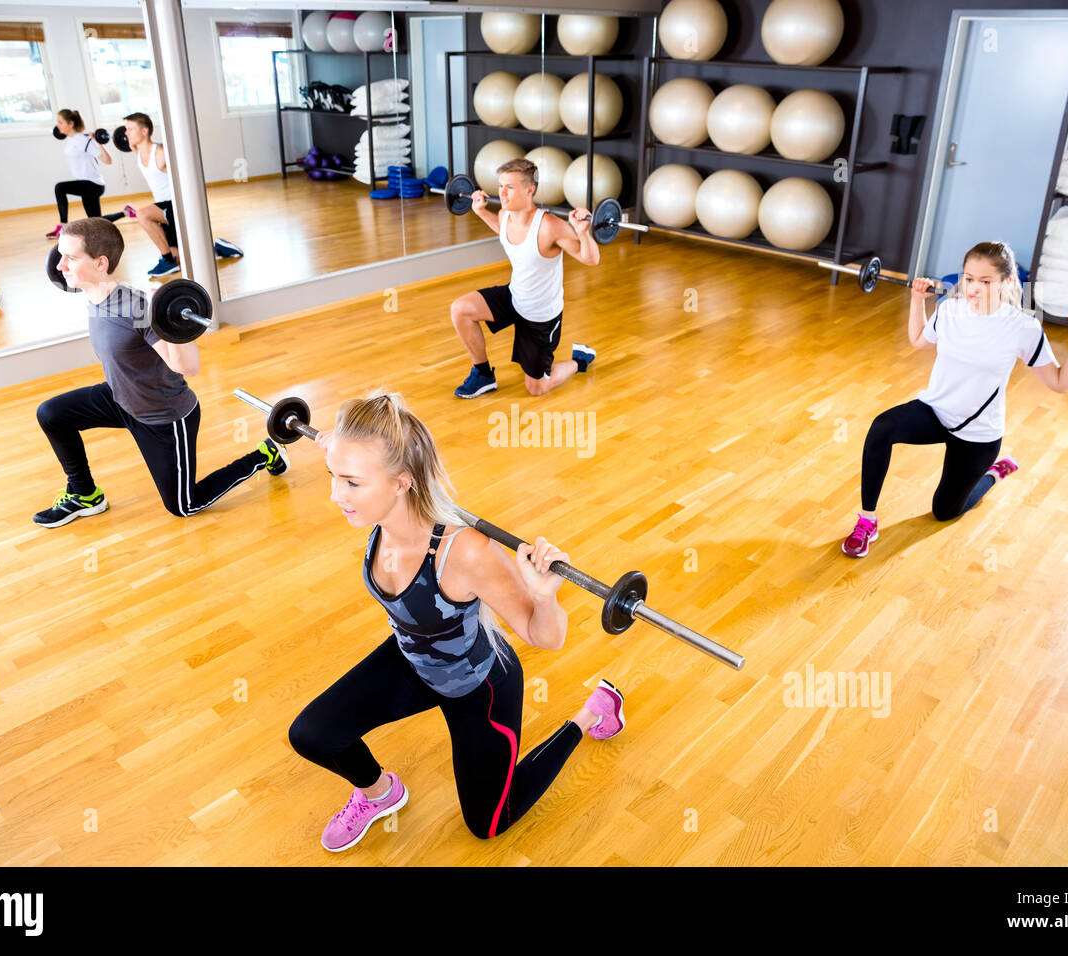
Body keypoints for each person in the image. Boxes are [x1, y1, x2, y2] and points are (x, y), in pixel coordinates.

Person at [288, 391, 626, 851]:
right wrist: (336, 450)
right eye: (335, 476)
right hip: (413, 658)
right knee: (312, 734)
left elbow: (546, 636)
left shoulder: (463, 552)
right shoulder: (378, 499)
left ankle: (592, 714)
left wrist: (545, 596)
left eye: (350, 482)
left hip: (477, 685)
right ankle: (380, 793)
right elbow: (345, 451)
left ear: (401, 483)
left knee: (489, 824)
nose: (335, 495)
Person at [841, 240, 1068, 557]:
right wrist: (917, 299)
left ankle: (992, 474)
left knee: (945, 511)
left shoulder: (1023, 327)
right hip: (936, 412)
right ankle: (867, 521)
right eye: (968, 278)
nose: (973, 288)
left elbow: (1059, 383)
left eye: (985, 281)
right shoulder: (949, 309)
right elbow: (919, 341)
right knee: (882, 427)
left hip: (978, 433)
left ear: (1005, 282)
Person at [33, 217, 285, 527]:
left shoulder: (138, 310)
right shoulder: (92, 290)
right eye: (60, 255)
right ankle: (85, 495)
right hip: (120, 398)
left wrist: (168, 320)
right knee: (51, 414)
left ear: (101, 264)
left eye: (70, 258)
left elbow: (189, 367)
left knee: (184, 505)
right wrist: (68, 258)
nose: (60, 266)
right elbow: (60, 275)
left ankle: (265, 454)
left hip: (162, 415)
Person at [449, 158, 600, 399]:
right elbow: (504, 233)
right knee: (461, 310)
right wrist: (480, 212)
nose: (502, 193)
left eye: (510, 187)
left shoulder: (550, 226)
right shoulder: (504, 215)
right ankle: (483, 374)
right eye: (500, 186)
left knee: (536, 388)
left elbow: (590, 258)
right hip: (515, 295)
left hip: (540, 316)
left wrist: (583, 233)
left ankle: (579, 360)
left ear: (530, 190)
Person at [118, 113, 244, 279]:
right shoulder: (138, 150)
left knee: (142, 215)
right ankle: (217, 248)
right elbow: (123, 142)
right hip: (164, 208)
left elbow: (186, 174)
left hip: (176, 205)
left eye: (130, 129)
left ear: (144, 131)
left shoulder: (161, 153)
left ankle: (167, 261)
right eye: (126, 129)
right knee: (181, 257)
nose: (126, 133)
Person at [46, 109, 113, 240]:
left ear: (70, 124)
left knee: (60, 187)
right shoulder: (71, 139)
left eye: (60, 122)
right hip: (85, 185)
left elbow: (108, 160)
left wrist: (98, 142)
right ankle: (126, 212)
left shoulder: (84, 140)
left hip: (93, 183)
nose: (57, 126)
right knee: (96, 223)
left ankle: (63, 226)